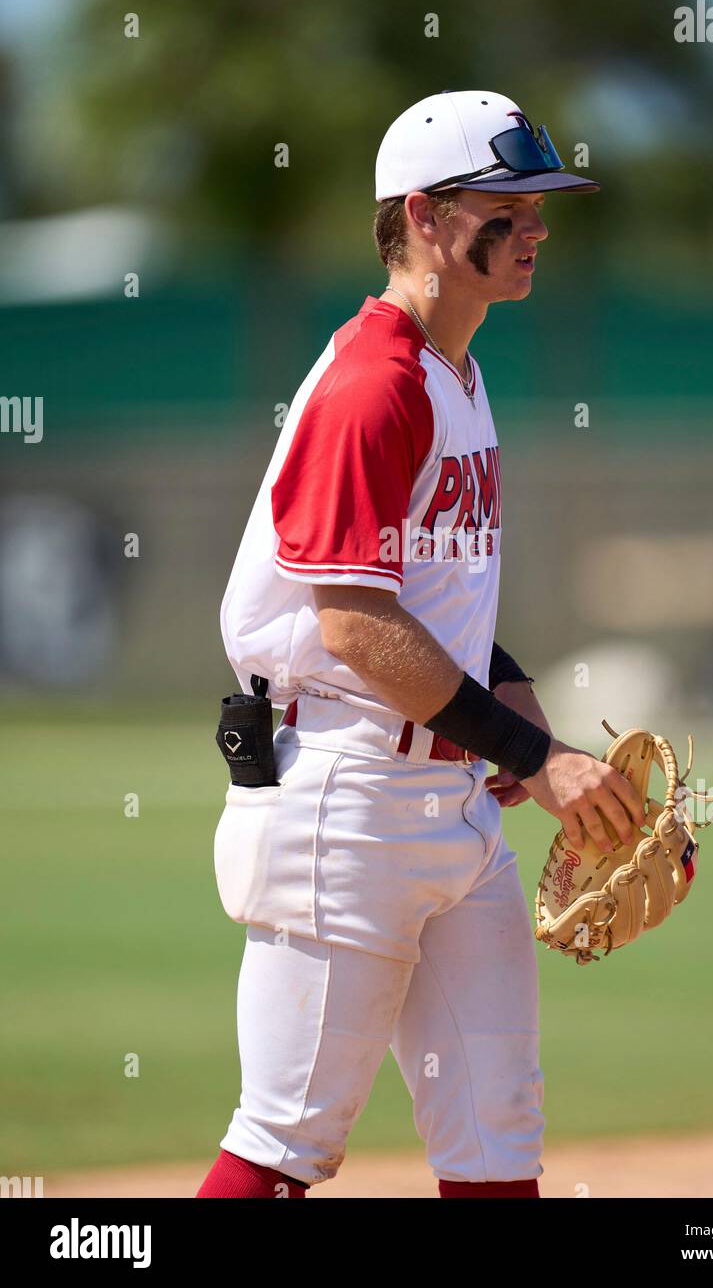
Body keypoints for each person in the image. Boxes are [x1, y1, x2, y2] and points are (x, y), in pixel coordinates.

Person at [197, 90, 643, 1200]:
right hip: (340, 802)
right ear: (425, 216)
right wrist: (538, 758)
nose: (534, 226)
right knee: (289, 1139)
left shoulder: (458, 373)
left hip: (451, 808)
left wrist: (517, 701)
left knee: (497, 1134)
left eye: (539, 205)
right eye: (507, 205)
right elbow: (352, 620)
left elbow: (435, 598)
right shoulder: (371, 381)